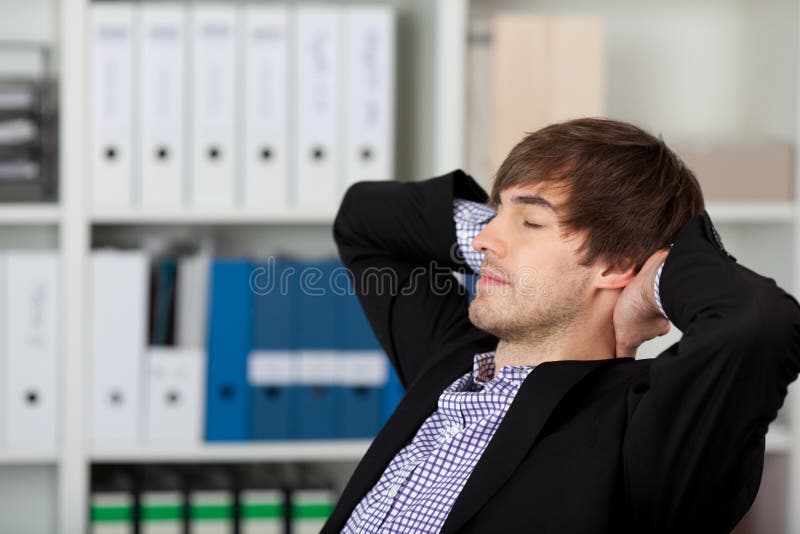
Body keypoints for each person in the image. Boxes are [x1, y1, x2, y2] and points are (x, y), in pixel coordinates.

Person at [322, 118, 800, 533]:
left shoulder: (642, 430)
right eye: (494, 214)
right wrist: (505, 246)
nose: (486, 237)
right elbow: (364, 220)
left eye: (531, 222)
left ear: (616, 264)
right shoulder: (450, 359)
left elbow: (757, 322)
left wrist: (655, 280)